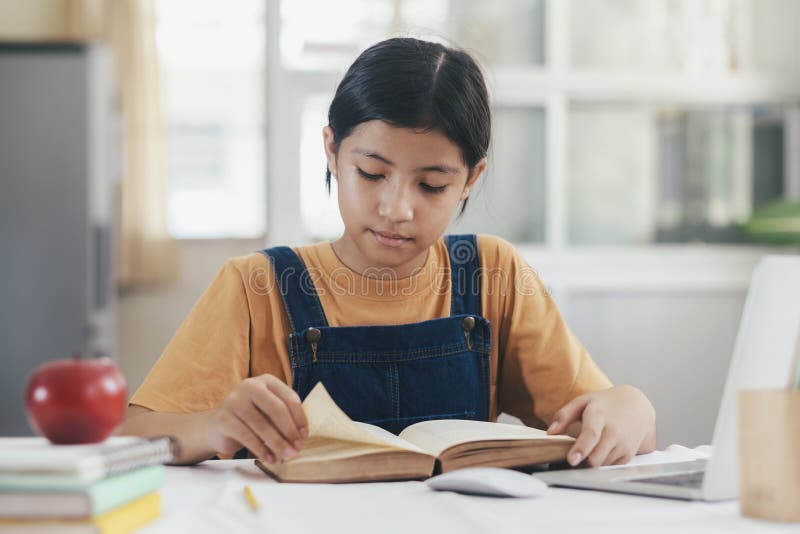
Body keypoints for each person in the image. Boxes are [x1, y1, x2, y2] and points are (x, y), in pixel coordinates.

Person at [120, 37, 656, 467]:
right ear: (332, 150)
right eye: (372, 173)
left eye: (432, 185)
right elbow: (132, 434)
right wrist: (212, 424)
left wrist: (631, 407)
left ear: (471, 179)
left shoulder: (495, 274)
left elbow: (596, 419)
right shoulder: (254, 285)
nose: (397, 208)